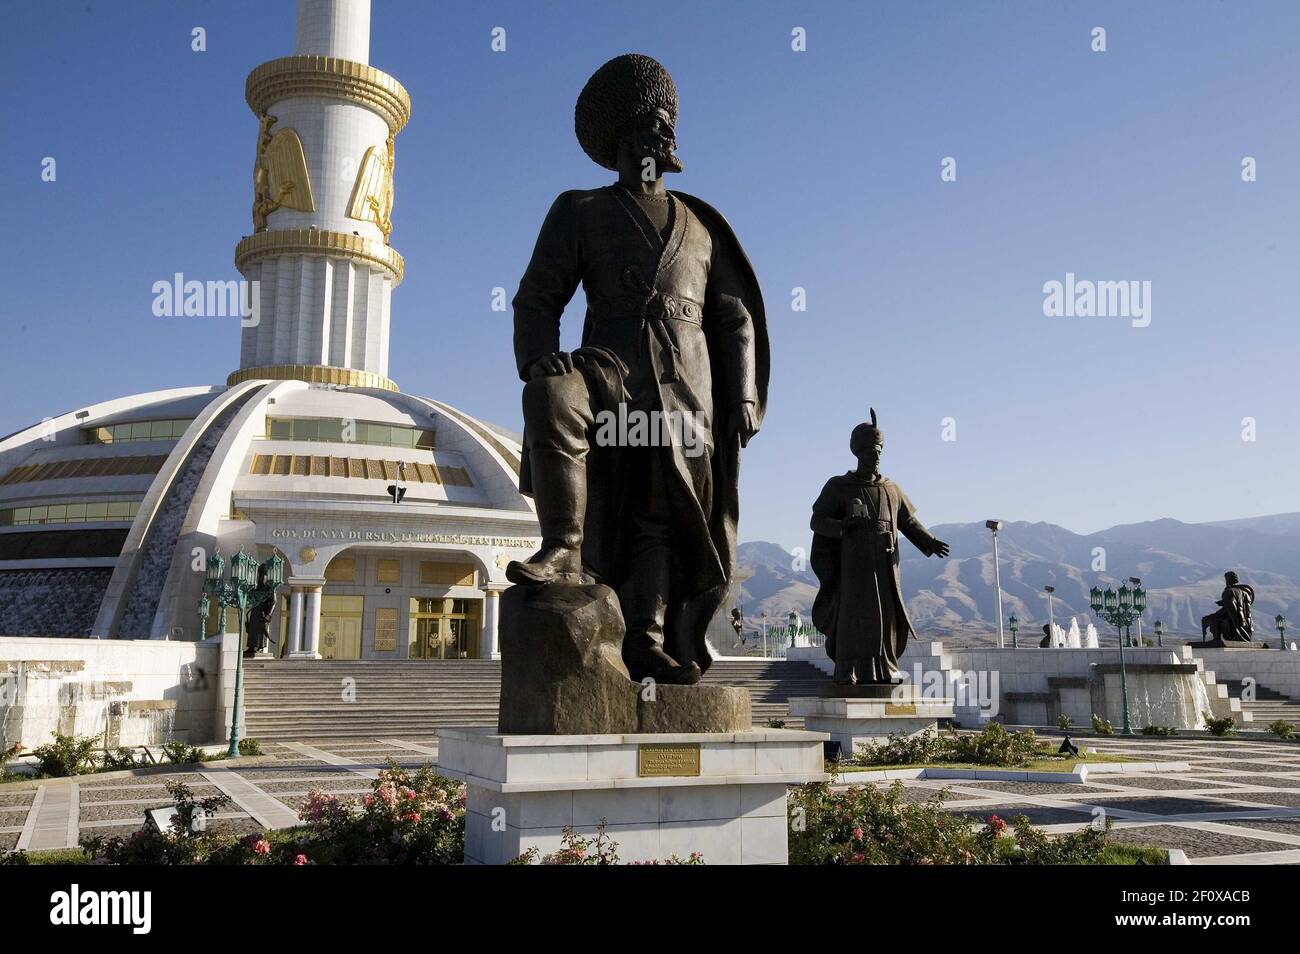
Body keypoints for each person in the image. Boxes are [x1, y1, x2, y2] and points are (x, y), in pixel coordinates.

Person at [507, 54, 768, 685]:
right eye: (652, 128)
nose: (665, 137)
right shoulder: (581, 209)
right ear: (624, 142)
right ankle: (564, 546)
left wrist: (744, 395)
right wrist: (538, 353)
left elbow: (734, 318)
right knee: (551, 395)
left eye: (668, 127)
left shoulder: (702, 227)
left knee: (661, 510)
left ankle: (648, 640)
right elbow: (538, 297)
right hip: (609, 367)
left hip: (685, 387)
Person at [810, 410, 950, 686]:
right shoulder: (839, 486)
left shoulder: (891, 488)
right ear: (859, 454)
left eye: (879, 452)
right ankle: (846, 670)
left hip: (885, 563)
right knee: (853, 616)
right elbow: (817, 520)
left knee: (884, 616)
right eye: (871, 452)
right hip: (853, 565)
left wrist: (929, 541)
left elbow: (907, 521)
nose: (876, 458)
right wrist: (842, 526)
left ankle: (884, 668)